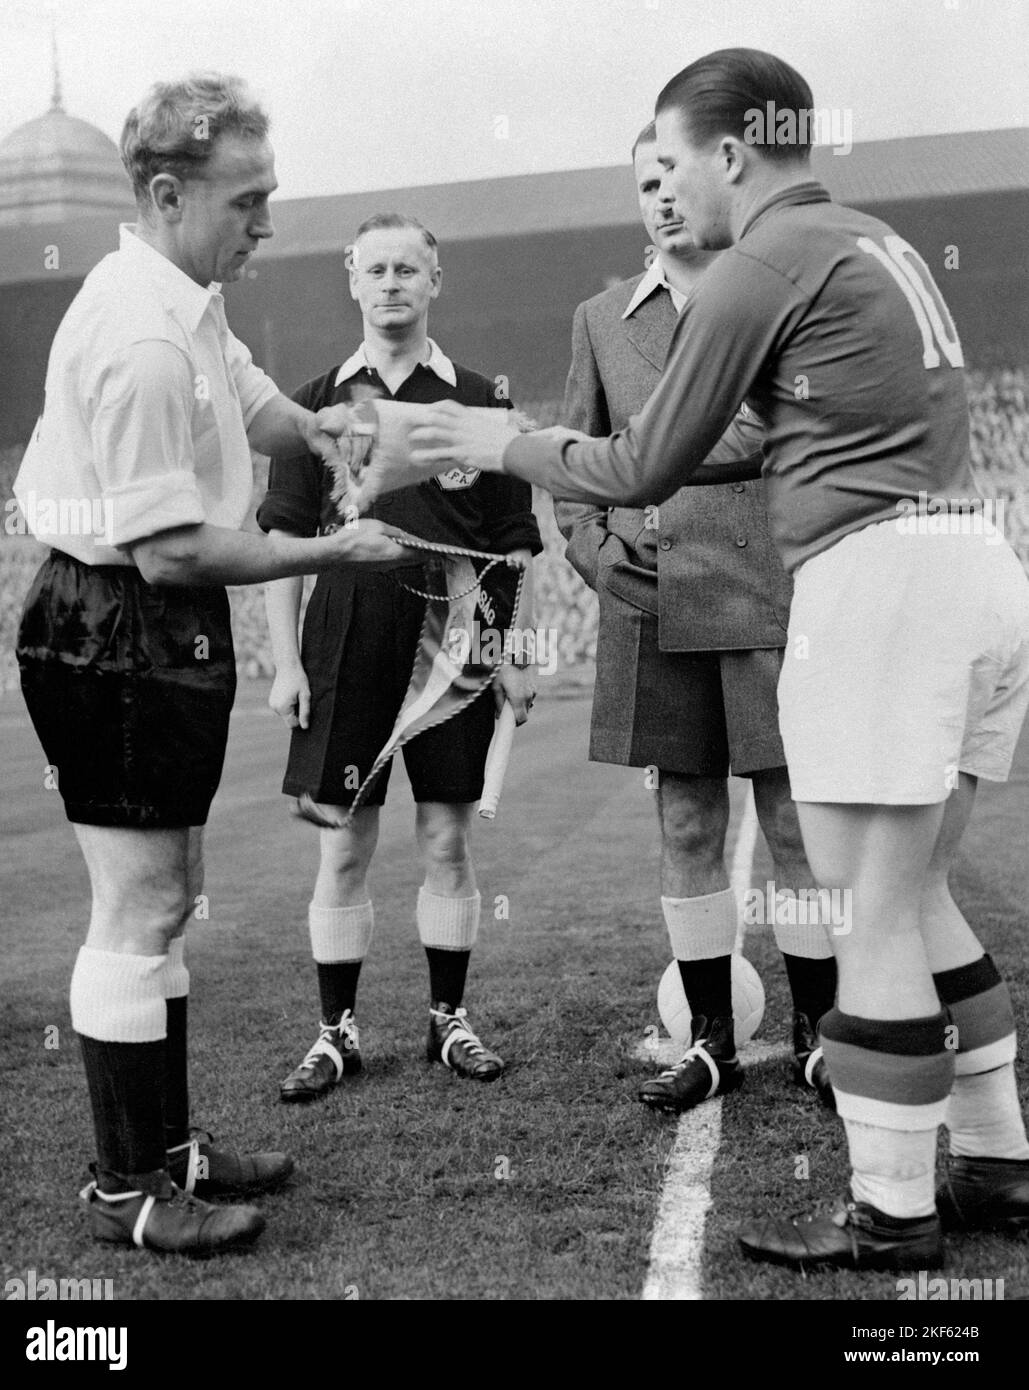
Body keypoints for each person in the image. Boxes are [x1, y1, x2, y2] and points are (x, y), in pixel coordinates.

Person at [401, 49, 1029, 1271]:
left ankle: (893, 1211)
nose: (671, 190)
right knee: (923, 889)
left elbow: (642, 466)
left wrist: (506, 437)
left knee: (873, 914)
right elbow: (752, 432)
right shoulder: (863, 239)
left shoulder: (759, 261)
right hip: (973, 567)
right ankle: (998, 1160)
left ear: (732, 153)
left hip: (881, 584)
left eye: (677, 163)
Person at [13, 74, 418, 1258]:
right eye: (247, 201)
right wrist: (330, 546)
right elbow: (172, 546)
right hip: (112, 621)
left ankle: (169, 1144)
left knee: (172, 893)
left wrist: (319, 424)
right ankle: (125, 1185)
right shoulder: (139, 334)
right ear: (166, 191)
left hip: (151, 622)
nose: (266, 224)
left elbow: (242, 392)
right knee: (136, 906)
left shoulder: (179, 291)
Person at [556, 119, 834, 1115]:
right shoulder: (599, 318)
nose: (663, 199)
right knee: (685, 818)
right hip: (653, 604)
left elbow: (793, 434)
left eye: (675, 177)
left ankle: (819, 1035)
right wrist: (603, 565)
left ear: (716, 180)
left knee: (797, 822)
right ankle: (712, 1040)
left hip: (767, 600)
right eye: (645, 183)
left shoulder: (766, 297)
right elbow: (574, 469)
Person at [259, 213, 541, 1103]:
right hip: (344, 637)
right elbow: (281, 542)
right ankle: (334, 1031)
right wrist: (285, 661)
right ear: (352, 279)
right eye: (375, 268)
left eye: (406, 269)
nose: (390, 284)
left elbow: (513, 539)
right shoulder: (317, 405)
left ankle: (446, 1019)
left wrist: (514, 648)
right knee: (339, 843)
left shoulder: (475, 400)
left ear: (434, 280)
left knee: (446, 837)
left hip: (457, 638)